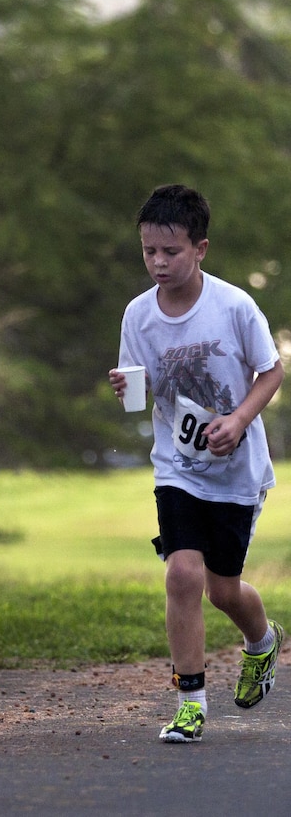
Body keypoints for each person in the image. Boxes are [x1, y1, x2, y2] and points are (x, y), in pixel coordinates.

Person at [109, 184, 284, 743]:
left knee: (222, 591)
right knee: (183, 574)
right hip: (177, 467)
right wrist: (126, 388)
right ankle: (191, 704)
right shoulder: (138, 315)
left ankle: (261, 641)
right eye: (149, 252)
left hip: (236, 473)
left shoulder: (234, 306)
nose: (159, 263)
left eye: (171, 252)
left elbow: (272, 371)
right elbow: (144, 390)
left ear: (200, 248)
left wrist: (237, 421)